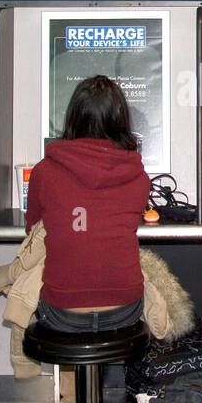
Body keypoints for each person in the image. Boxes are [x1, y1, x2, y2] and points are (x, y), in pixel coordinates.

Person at [26, 75, 151, 334]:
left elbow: (32, 230)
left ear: (73, 116)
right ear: (120, 120)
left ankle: (75, 376)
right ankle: (112, 375)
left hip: (62, 310)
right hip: (125, 308)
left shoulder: (44, 171)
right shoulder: (138, 176)